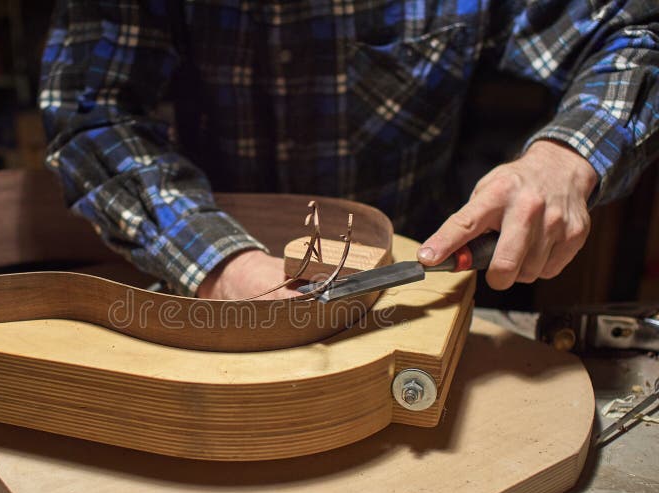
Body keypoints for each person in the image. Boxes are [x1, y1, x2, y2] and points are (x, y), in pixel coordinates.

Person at [39, 1, 658, 300]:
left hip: (418, 287)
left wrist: (563, 158)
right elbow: (91, 112)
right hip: (211, 272)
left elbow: (638, 29)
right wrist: (221, 265)